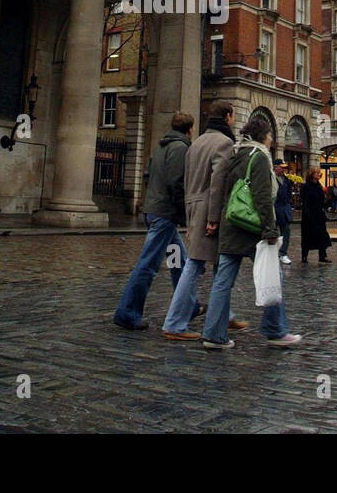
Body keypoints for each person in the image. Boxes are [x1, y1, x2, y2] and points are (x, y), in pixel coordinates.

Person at [201, 116, 301, 349]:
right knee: (271, 279)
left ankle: (214, 334)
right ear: (264, 136)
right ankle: (276, 330)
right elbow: (262, 196)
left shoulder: (236, 154)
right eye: (270, 136)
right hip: (252, 229)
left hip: (231, 225)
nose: (271, 140)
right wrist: (270, 229)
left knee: (222, 283)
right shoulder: (259, 158)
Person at [161, 101, 248, 340]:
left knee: (221, 264)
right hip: (210, 210)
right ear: (228, 117)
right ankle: (174, 323)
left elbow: (188, 180)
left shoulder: (196, 141)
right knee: (195, 264)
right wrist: (212, 218)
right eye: (233, 116)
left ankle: (225, 315)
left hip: (193, 207)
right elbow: (218, 182)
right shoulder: (224, 142)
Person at [113, 112, 194, 330]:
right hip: (165, 215)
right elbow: (177, 183)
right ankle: (127, 312)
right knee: (148, 265)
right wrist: (182, 214)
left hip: (156, 211)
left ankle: (188, 303)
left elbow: (148, 176)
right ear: (190, 130)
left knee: (178, 260)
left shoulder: (160, 147)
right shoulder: (181, 149)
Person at [300, 168, 331, 264]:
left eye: (319, 173)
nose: (319, 174)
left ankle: (322, 256)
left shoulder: (319, 186)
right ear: (311, 174)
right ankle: (304, 256)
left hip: (319, 215)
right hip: (309, 215)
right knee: (307, 236)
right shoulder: (306, 186)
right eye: (316, 173)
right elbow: (305, 201)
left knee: (322, 235)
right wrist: (308, 213)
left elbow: (322, 200)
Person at [273, 160, 294, 265]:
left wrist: (288, 204)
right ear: (276, 167)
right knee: (272, 232)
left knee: (286, 231)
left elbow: (289, 193)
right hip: (273, 209)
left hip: (284, 209)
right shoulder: (270, 178)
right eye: (282, 167)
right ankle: (272, 254)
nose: (284, 169)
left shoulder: (286, 179)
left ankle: (283, 253)